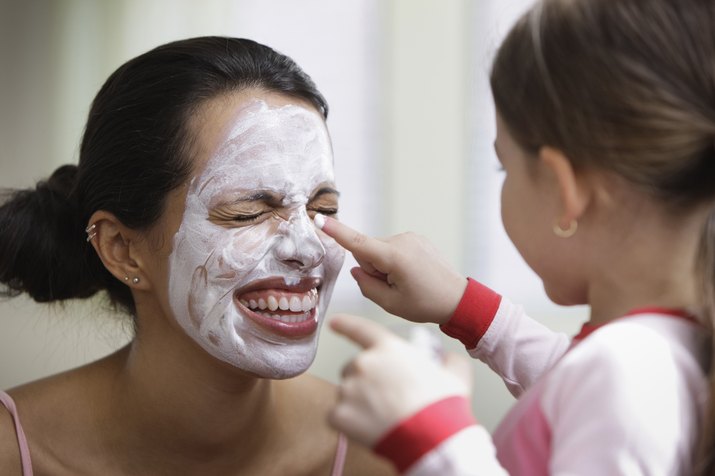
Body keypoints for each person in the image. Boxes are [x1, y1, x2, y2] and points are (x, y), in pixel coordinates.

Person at [318, 0, 715, 474]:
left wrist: (432, 439)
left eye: (503, 165)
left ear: (564, 189)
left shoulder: (625, 370)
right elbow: (572, 382)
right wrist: (465, 307)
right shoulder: (670, 346)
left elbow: (599, 386)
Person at [0, 36, 395, 475]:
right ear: (122, 249)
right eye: (248, 213)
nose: (308, 249)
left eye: (324, 209)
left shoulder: (379, 448)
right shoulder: (13, 452)